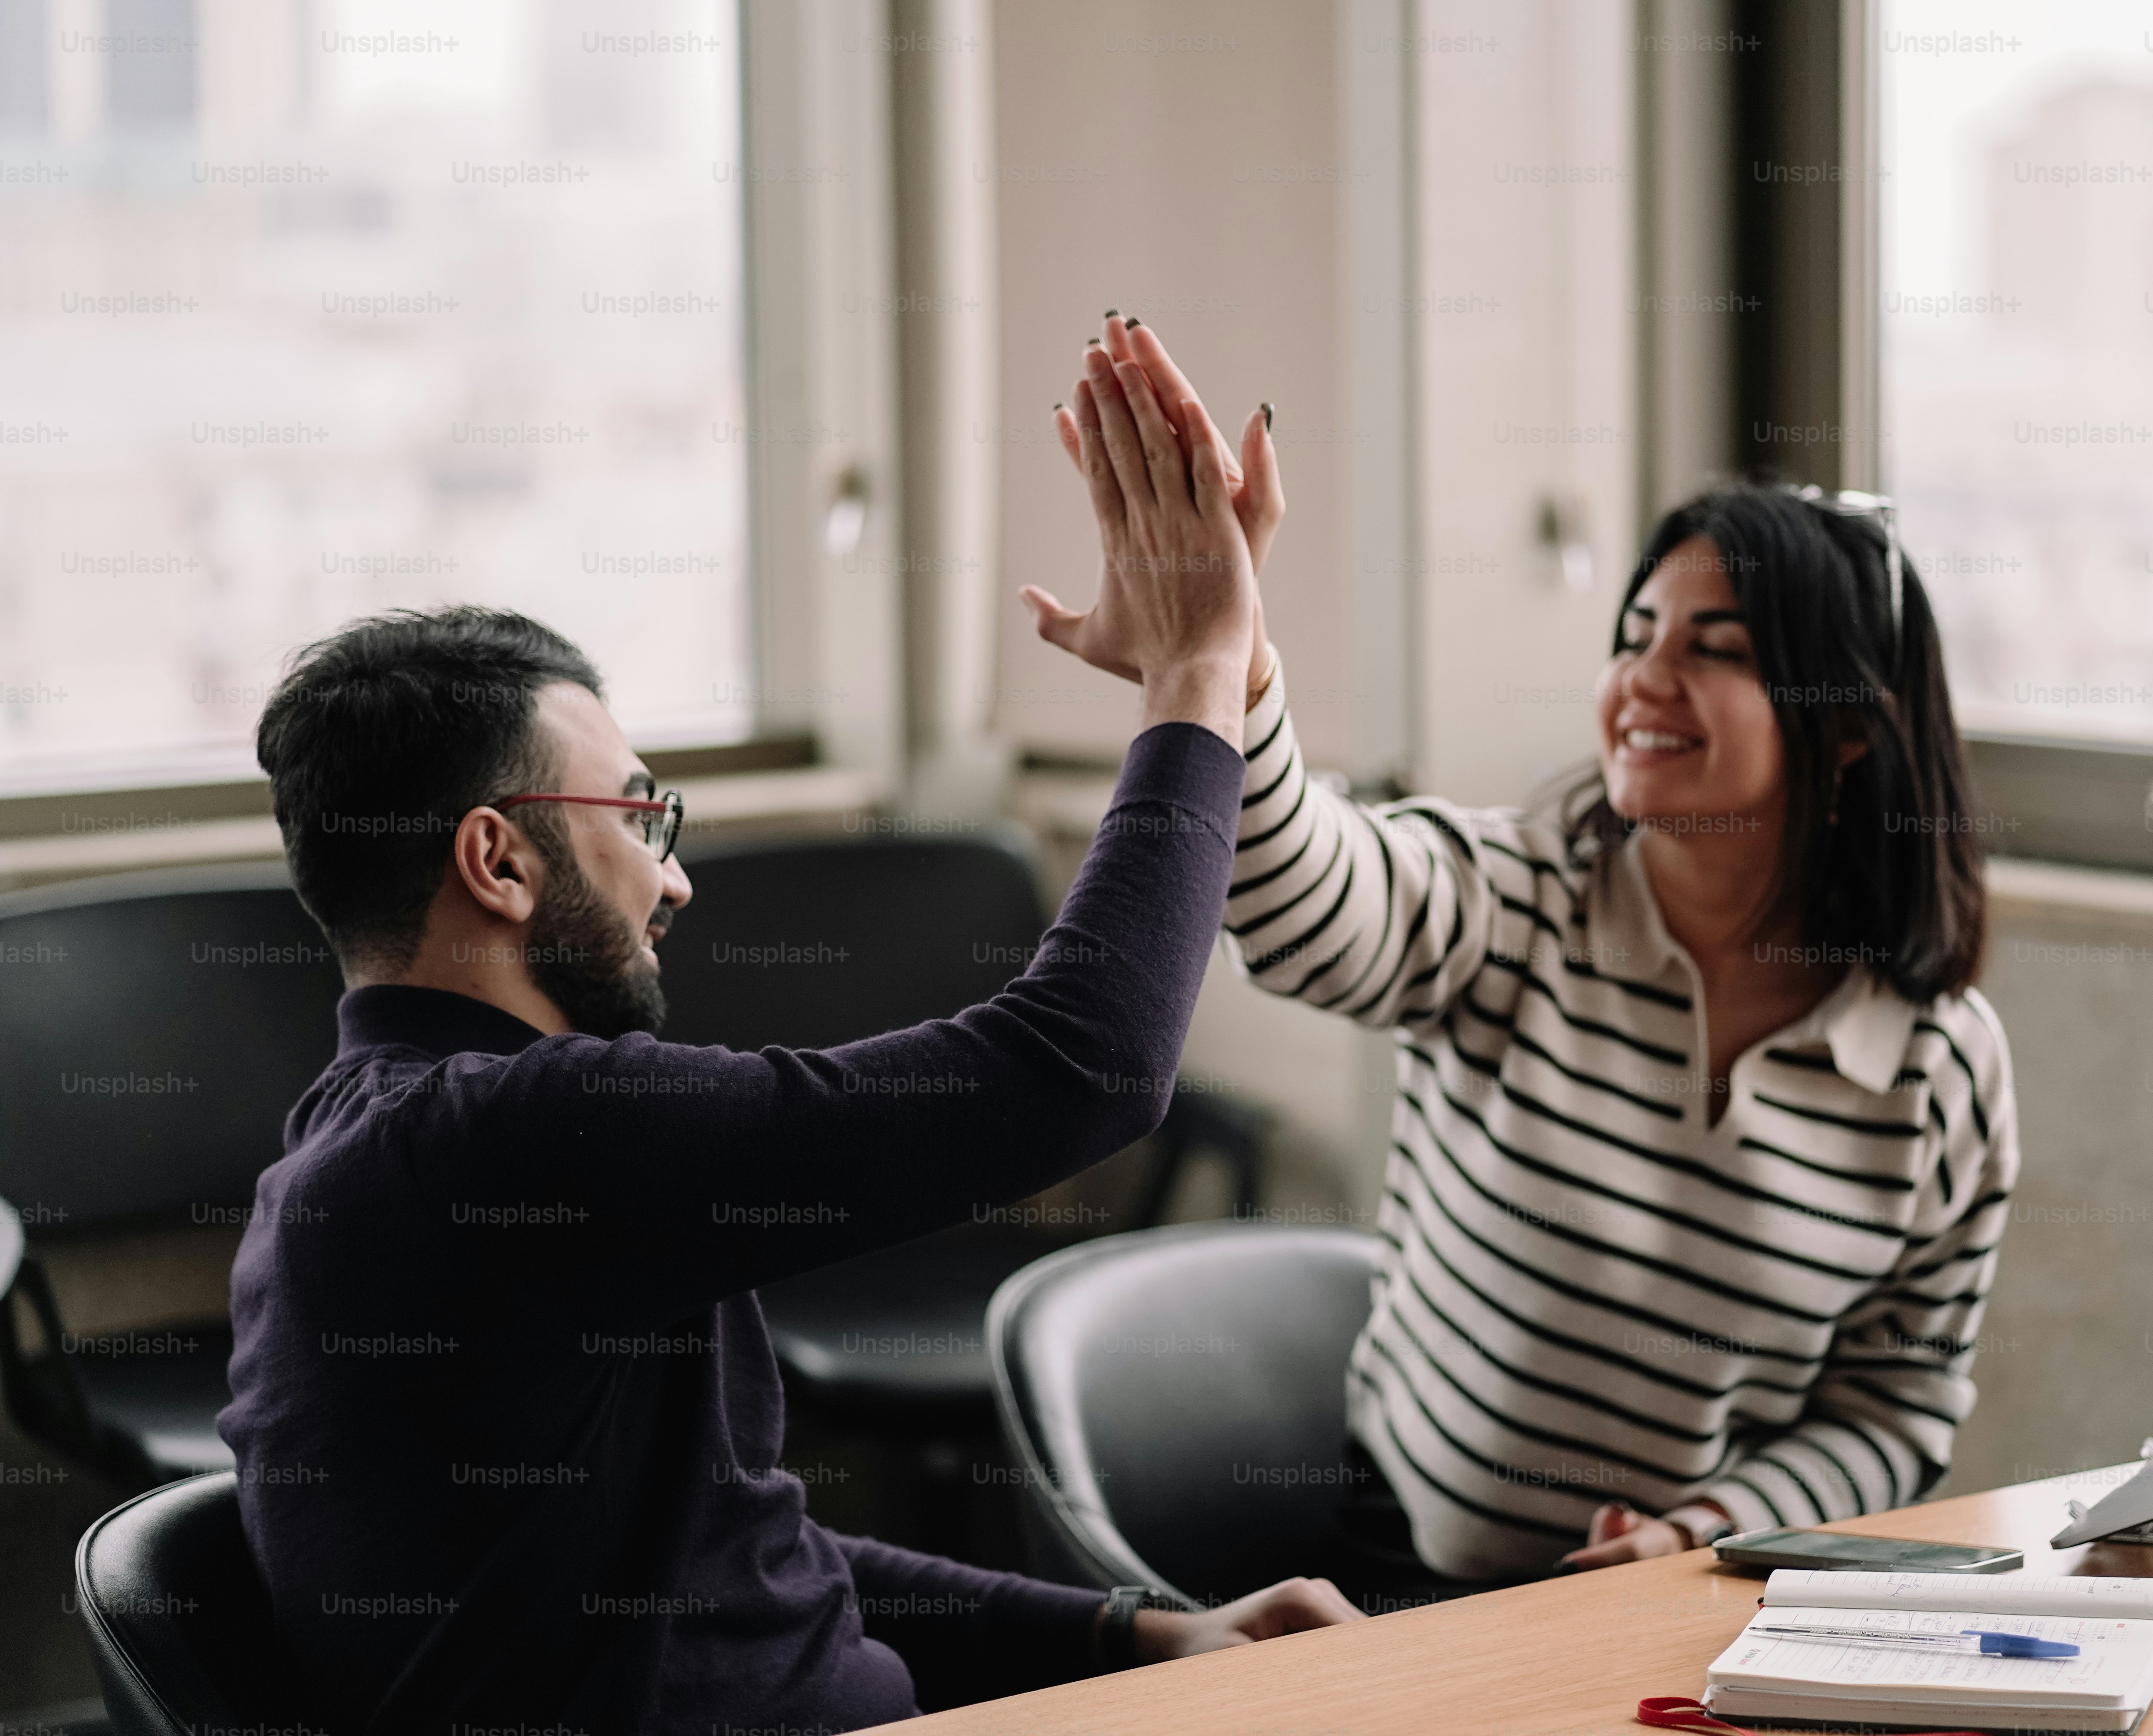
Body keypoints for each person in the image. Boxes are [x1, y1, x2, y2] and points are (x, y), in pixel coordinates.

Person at [220, 339, 1357, 1736]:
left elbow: (741, 1554)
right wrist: (1195, 677)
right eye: (643, 820)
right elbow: (1086, 1067)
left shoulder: (399, 1142)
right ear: (499, 863)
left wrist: (1144, 1634)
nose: (676, 879)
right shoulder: (505, 1139)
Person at [1027, 315, 2021, 1593]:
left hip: (1694, 1605)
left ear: (1848, 736)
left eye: (1715, 651)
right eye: (1635, 636)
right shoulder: (1519, 896)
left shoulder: (1942, 1073)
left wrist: (1713, 1523)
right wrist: (1229, 669)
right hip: (1410, 1586)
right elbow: (1301, 897)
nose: (1644, 681)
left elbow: (1899, 1405)